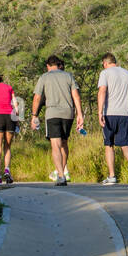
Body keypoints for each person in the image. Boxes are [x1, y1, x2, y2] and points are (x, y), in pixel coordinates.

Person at [31, 56, 84, 187]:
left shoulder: (44, 77)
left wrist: (34, 115)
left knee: (56, 144)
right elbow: (76, 96)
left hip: (52, 113)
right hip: (68, 113)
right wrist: (80, 114)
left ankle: (60, 175)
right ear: (58, 65)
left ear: (48, 66)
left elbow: (37, 98)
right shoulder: (68, 76)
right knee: (64, 144)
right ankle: (62, 172)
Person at [97, 53, 128, 185]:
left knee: (109, 144)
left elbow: (102, 91)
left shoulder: (105, 73)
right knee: (125, 143)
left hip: (110, 113)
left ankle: (112, 176)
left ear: (105, 63)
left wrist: (100, 112)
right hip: (126, 114)